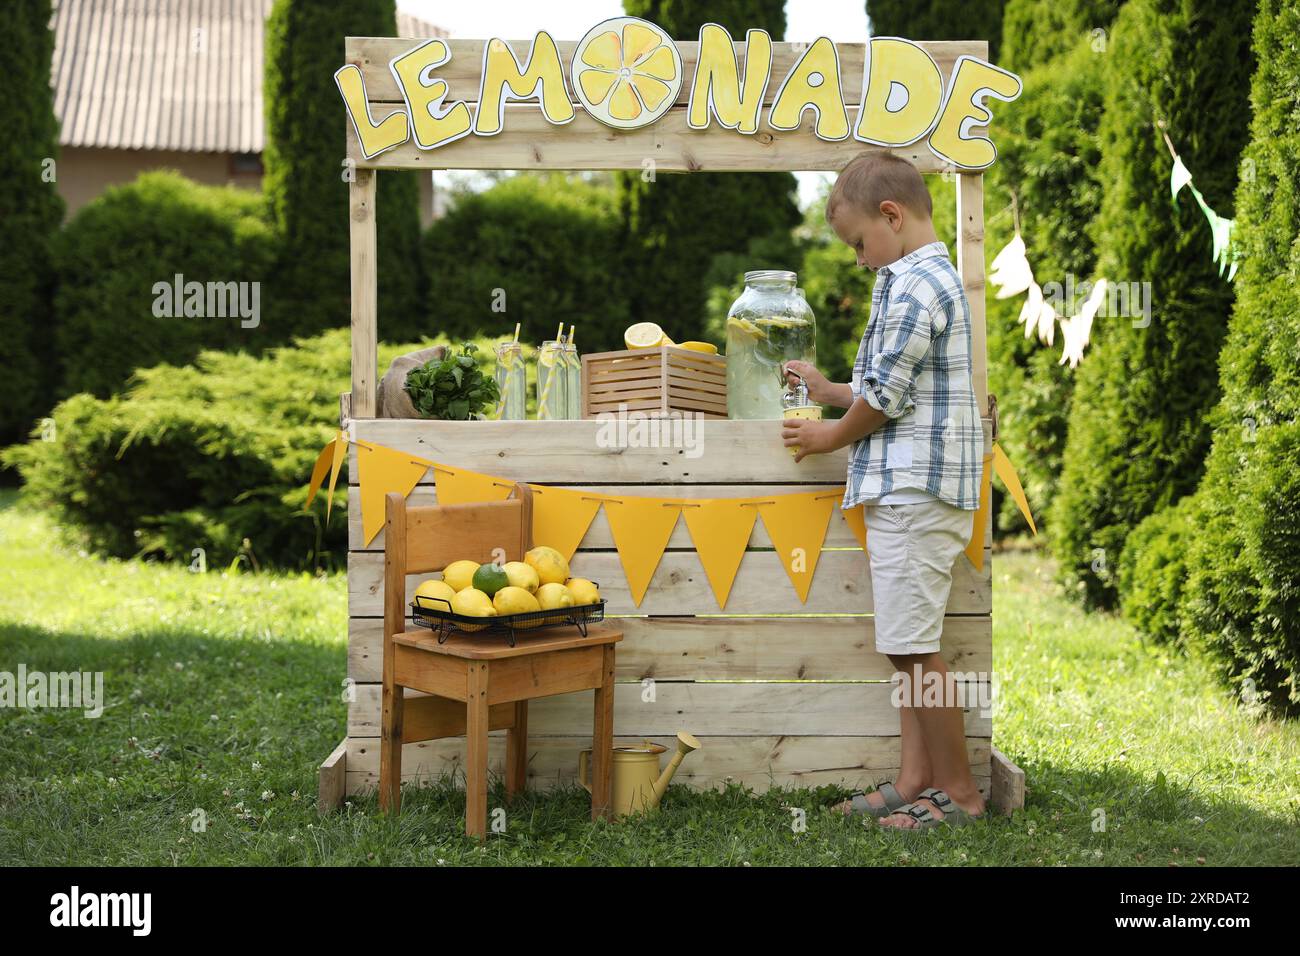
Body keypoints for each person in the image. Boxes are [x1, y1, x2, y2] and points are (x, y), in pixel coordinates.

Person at [782, 150, 986, 830]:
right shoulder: (916, 277)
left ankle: (959, 792)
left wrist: (828, 436)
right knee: (906, 641)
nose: (860, 258)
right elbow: (887, 387)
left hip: (916, 494)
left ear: (891, 217)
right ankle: (916, 777)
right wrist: (831, 390)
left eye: (859, 243)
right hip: (913, 494)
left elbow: (886, 399)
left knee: (915, 648)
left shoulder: (917, 284)